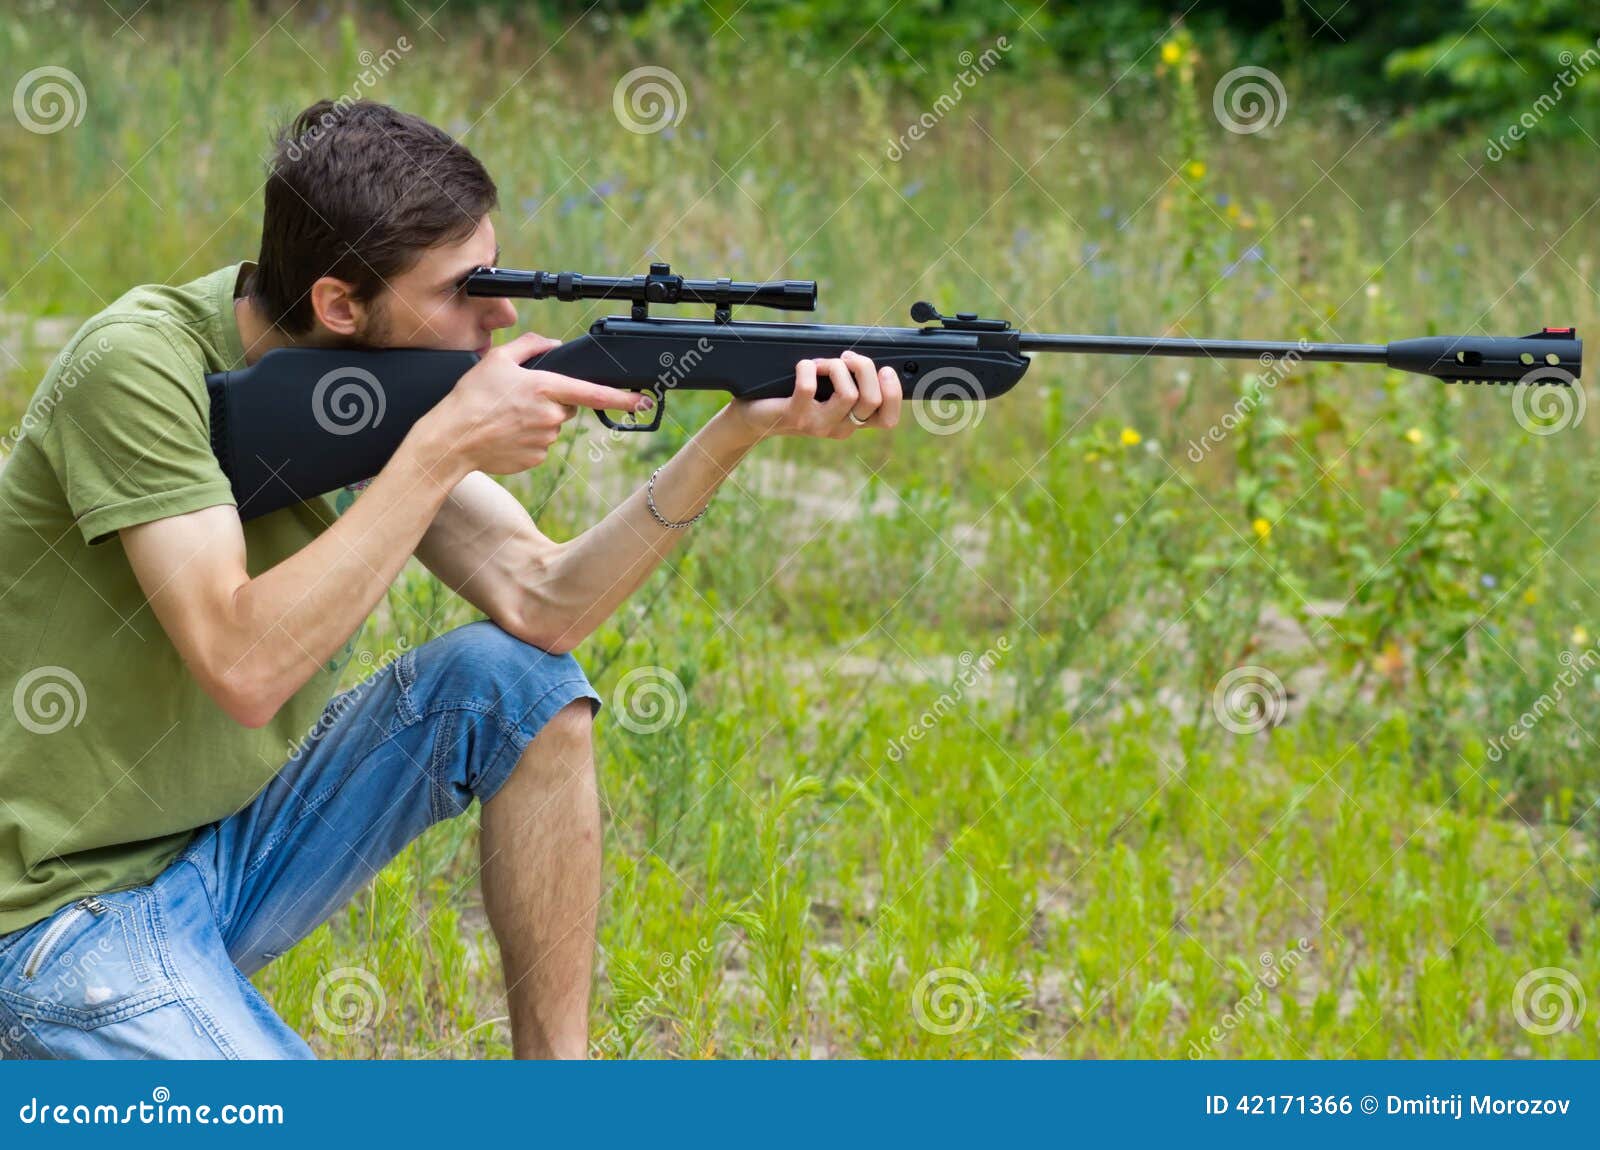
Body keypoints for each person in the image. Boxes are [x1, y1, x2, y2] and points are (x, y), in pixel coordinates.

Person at [0, 99, 901, 1059]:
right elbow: (242, 665)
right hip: (55, 914)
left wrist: (732, 436)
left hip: (217, 855)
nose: (505, 316)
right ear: (342, 304)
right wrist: (440, 449)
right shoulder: (137, 366)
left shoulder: (361, 380)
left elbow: (545, 602)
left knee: (518, 686)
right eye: (468, 288)